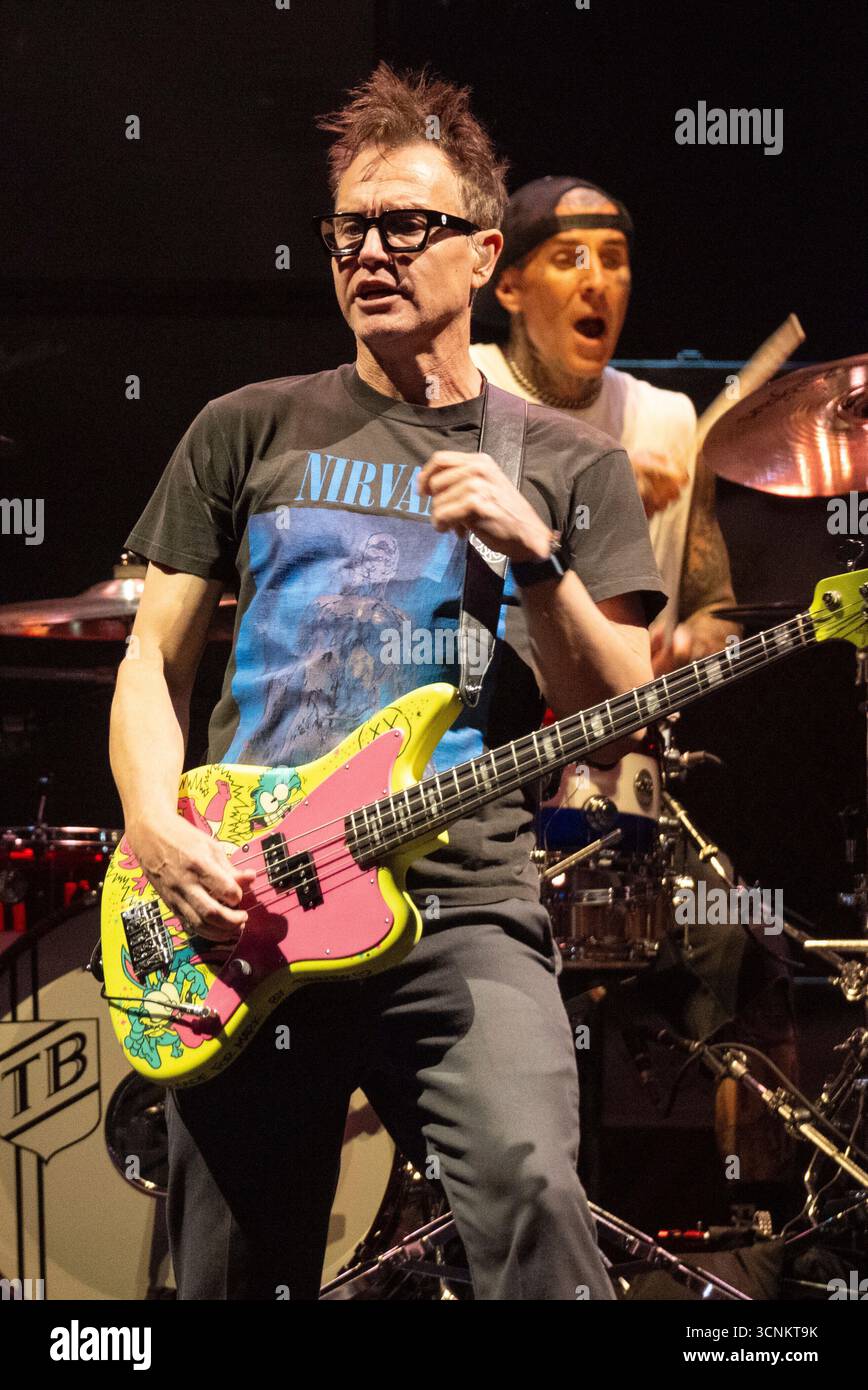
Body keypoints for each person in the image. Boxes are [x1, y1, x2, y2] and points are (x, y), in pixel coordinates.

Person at [110, 63, 667, 1301]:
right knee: (224, 1275)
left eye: (405, 225)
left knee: (530, 1194)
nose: (370, 251)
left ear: (481, 255)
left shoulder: (569, 464)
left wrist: (535, 558)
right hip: (244, 906)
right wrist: (153, 826)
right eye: (348, 228)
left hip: (460, 907)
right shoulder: (244, 426)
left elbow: (627, 695)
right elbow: (152, 656)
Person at [470, 175, 740, 674]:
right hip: (496, 720)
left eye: (613, 260)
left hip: (624, 731)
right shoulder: (467, 387)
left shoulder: (668, 420)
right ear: (509, 285)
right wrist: (600, 493)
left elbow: (716, 611)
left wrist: (690, 644)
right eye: (569, 259)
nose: (596, 282)